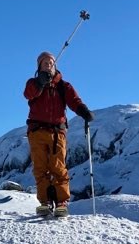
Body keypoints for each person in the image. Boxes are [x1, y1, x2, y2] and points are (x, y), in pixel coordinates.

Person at [23, 51, 94, 217]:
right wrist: (40, 84)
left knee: (58, 167)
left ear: (55, 65)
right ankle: (45, 203)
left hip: (57, 132)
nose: (48, 65)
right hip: (37, 131)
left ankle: (61, 202)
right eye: (45, 63)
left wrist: (83, 111)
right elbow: (28, 94)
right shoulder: (33, 83)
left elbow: (74, 101)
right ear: (39, 66)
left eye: (51, 62)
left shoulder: (63, 86)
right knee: (40, 168)